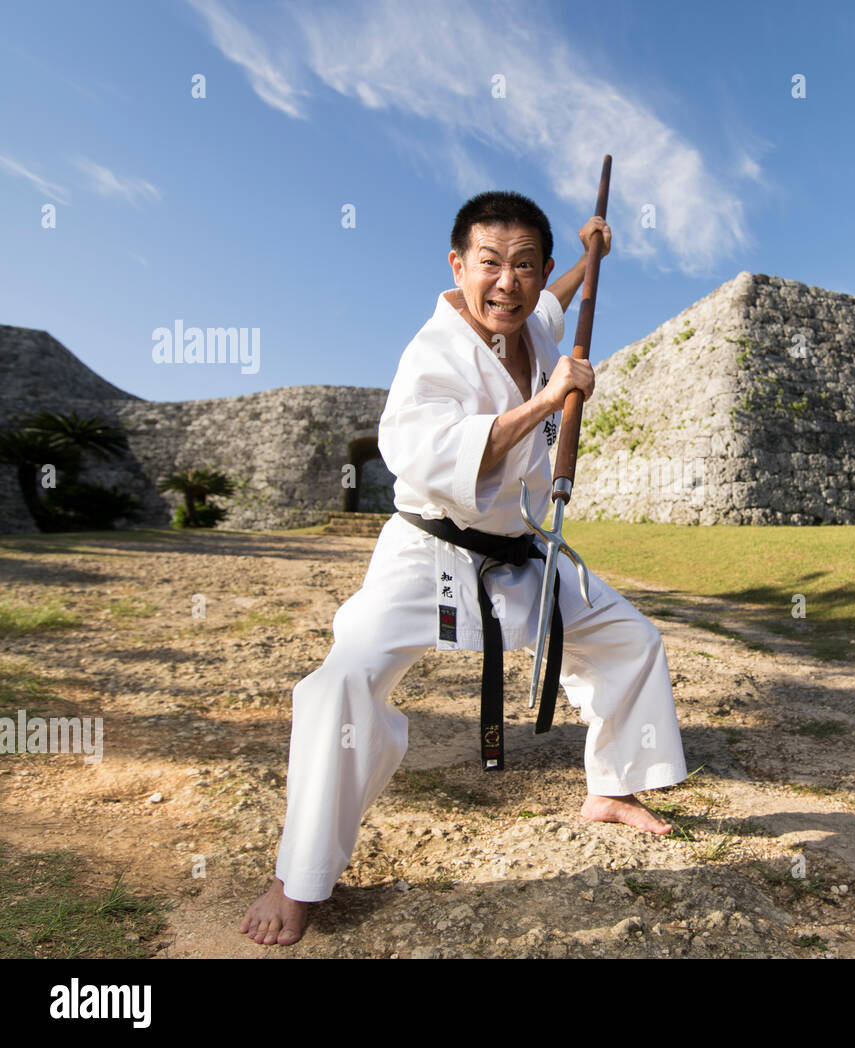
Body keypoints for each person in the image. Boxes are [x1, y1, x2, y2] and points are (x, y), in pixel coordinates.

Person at [240, 191, 688, 946]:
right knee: (345, 677)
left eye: (523, 266)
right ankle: (300, 876)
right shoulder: (432, 353)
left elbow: (554, 302)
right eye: (490, 264)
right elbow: (439, 452)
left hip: (517, 550)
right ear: (459, 265)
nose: (506, 283)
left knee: (630, 640)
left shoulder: (535, 322)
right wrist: (549, 398)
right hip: (430, 549)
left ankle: (611, 789)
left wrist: (591, 258)